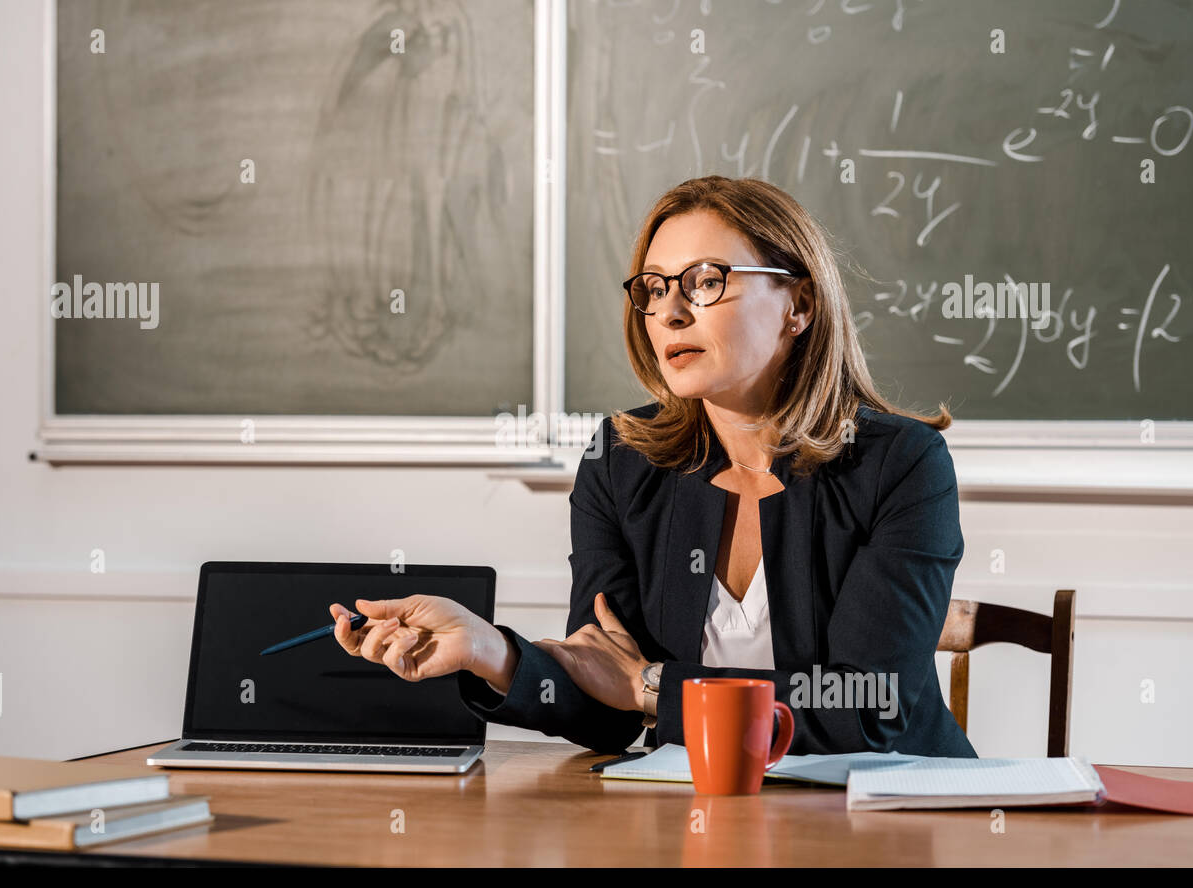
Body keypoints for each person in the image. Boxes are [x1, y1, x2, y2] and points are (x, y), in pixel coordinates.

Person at [330, 175, 977, 758]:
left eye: (705, 281)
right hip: (702, 822)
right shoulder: (619, 460)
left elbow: (862, 706)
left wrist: (650, 687)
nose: (669, 312)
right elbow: (602, 700)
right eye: (655, 287)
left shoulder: (902, 463)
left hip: (891, 819)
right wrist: (491, 652)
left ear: (798, 305)